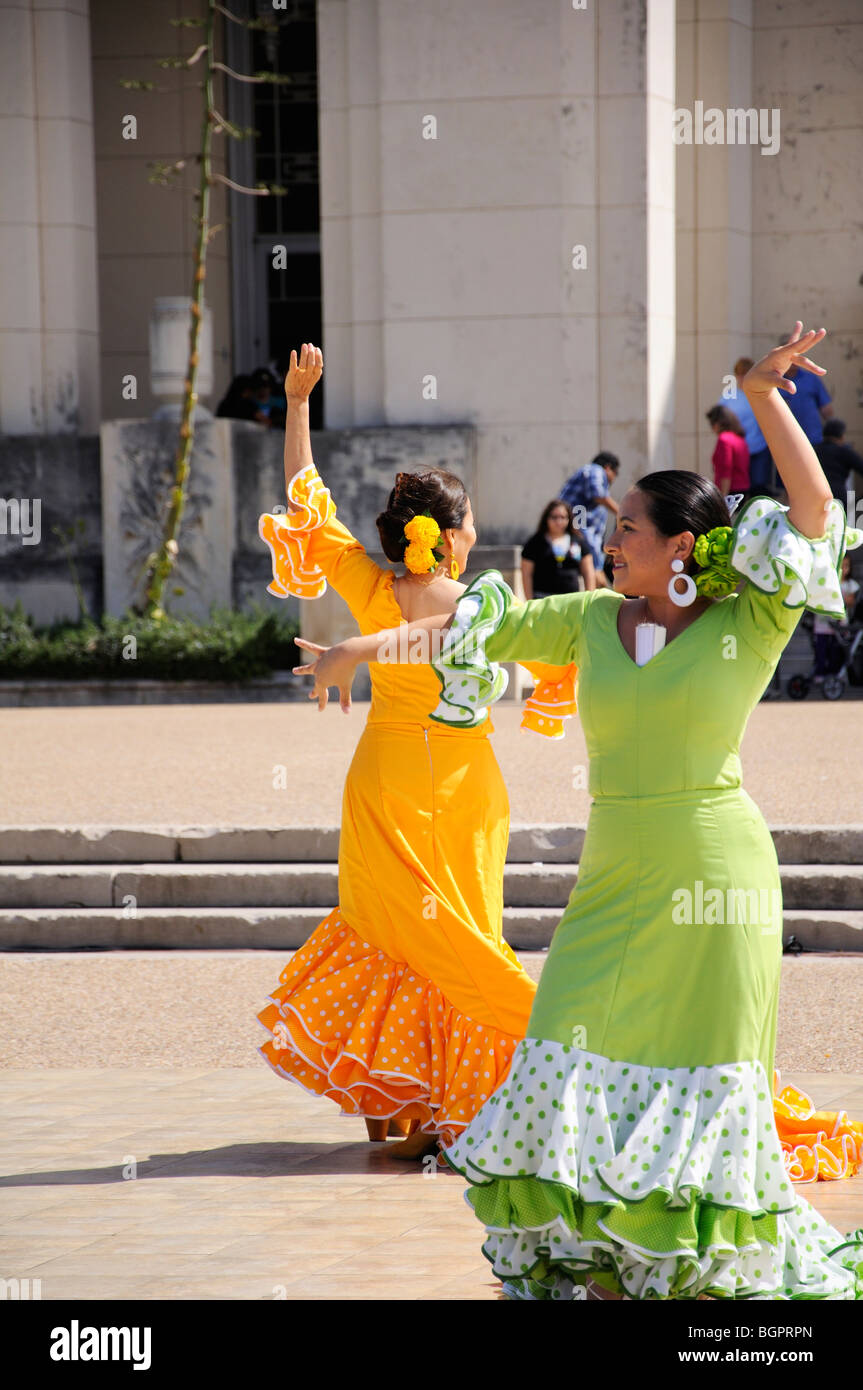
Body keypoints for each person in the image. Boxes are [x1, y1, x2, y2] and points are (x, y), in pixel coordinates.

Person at [296, 324, 863, 1300]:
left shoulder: (748, 617)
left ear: (679, 547)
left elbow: (811, 514)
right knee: (562, 1054)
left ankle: (679, 1270)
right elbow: (479, 625)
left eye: (627, 528)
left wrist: (758, 391)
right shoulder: (590, 620)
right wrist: (359, 649)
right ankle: (596, 1259)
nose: (608, 538)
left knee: (698, 1082)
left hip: (715, 876)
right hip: (611, 880)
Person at [255, 344, 570, 1161]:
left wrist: (297, 406)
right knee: (461, 935)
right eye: (470, 522)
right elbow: (565, 660)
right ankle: (454, 1110)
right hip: (464, 790)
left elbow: (304, 500)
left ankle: (393, 1115)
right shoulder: (488, 607)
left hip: (383, 780)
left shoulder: (369, 585)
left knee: (386, 935)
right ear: (454, 536)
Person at [559, 452, 620, 584]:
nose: (613, 480)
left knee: (593, 568)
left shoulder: (585, 472)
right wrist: (621, 512)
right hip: (581, 527)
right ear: (608, 468)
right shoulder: (595, 470)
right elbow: (599, 494)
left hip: (580, 528)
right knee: (595, 568)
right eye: (615, 474)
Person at [521, 500, 596, 599]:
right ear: (546, 519)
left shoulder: (578, 541)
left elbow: (588, 573)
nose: (559, 521)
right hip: (543, 600)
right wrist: (529, 602)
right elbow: (526, 574)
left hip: (572, 600)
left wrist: (589, 598)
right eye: (554, 517)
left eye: (563, 517)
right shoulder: (535, 543)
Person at [722, 357, 773, 493]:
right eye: (740, 374)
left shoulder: (761, 392)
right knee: (739, 488)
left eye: (747, 373)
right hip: (737, 449)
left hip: (759, 447)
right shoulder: (730, 395)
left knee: (758, 485)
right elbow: (720, 417)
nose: (743, 377)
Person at [783, 337, 833, 445]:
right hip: (787, 441)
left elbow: (826, 409)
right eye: (791, 355)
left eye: (797, 354)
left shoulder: (811, 378)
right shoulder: (774, 381)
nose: (794, 360)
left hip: (813, 438)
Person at [815, 419, 863, 509]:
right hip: (839, 498)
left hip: (815, 497)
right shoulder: (845, 452)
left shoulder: (814, 450)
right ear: (841, 436)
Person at [706, 404, 750, 497]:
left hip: (730, 490)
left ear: (717, 423)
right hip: (743, 488)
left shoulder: (724, 439)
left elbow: (726, 468)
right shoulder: (740, 439)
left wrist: (724, 496)